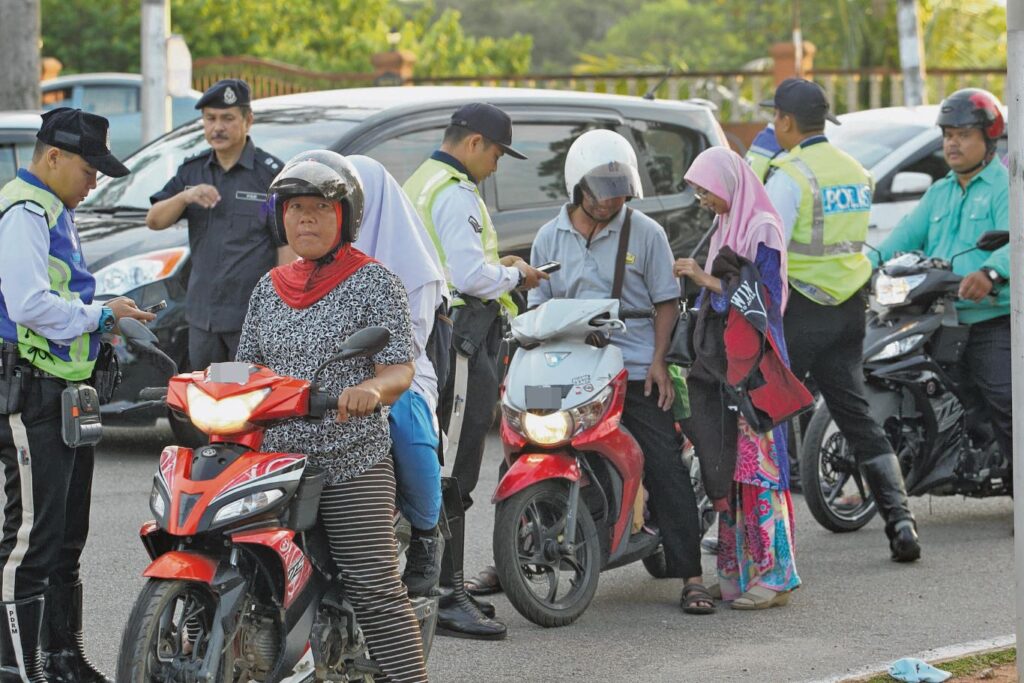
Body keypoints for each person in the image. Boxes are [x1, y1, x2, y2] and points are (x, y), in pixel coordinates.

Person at [235, 150, 427, 682]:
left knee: (374, 586)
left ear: (345, 216)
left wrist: (370, 389)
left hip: (349, 458)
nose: (306, 219)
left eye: (320, 208)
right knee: (243, 568)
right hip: (274, 463)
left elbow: (399, 369)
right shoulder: (269, 288)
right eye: (296, 208)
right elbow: (248, 368)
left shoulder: (374, 281)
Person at [0, 108, 155, 682]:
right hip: (30, 393)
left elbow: (60, 298)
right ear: (54, 156)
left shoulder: (53, 208)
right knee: (31, 541)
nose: (94, 184)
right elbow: (29, 304)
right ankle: (16, 668)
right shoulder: (24, 211)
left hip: (65, 390)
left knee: (66, 538)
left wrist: (104, 321)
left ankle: (62, 659)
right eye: (90, 171)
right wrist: (99, 315)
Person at [530, 129, 710, 614]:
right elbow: (537, 307)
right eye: (603, 192)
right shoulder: (549, 237)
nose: (613, 201)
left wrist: (657, 362)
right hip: (569, 370)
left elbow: (666, 302)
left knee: (665, 463)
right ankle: (518, 553)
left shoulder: (646, 233)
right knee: (528, 445)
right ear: (577, 188)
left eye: (620, 192)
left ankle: (691, 575)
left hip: (632, 368)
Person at [403, 103, 547, 639]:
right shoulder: (456, 191)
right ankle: (445, 596)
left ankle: (442, 588)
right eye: (497, 154)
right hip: (461, 340)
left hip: (434, 334)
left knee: (440, 460)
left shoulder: (421, 180)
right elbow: (467, 276)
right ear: (474, 143)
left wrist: (496, 269)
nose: (496, 166)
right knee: (454, 469)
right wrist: (514, 276)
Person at [762, 78, 921, 562]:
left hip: (802, 309)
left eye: (775, 117)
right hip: (850, 309)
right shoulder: (856, 172)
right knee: (855, 414)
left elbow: (768, 244)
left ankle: (756, 533)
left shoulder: (790, 173)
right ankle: (902, 524)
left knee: (764, 411)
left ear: (786, 121)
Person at [675, 147, 804, 609]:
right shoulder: (725, 224)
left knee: (759, 468)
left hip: (754, 368)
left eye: (706, 190)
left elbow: (765, 299)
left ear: (729, 183)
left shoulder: (762, 227)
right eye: (698, 193)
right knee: (728, 468)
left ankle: (775, 576)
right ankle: (734, 573)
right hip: (724, 366)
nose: (703, 200)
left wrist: (707, 281)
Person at [872, 89, 1011, 472]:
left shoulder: (1004, 188)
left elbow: (1015, 243)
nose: (952, 143)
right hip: (938, 321)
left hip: (989, 322)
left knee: (1007, 403)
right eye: (948, 134)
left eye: (963, 134)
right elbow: (899, 240)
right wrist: (862, 270)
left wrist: (991, 273)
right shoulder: (940, 191)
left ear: (988, 139)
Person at [349, 155, 446, 597]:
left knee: (406, 424)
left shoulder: (411, 268)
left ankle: (426, 534)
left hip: (396, 370)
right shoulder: (305, 261)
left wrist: (367, 379)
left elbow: (408, 346)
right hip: (321, 375)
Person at [146, 78, 286, 372]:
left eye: (227, 118)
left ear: (248, 120)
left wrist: (281, 308)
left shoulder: (269, 176)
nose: (217, 127)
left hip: (250, 320)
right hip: (203, 319)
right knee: (206, 394)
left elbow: (285, 245)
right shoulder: (192, 172)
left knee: (248, 395)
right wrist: (185, 197)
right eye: (210, 119)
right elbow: (154, 220)